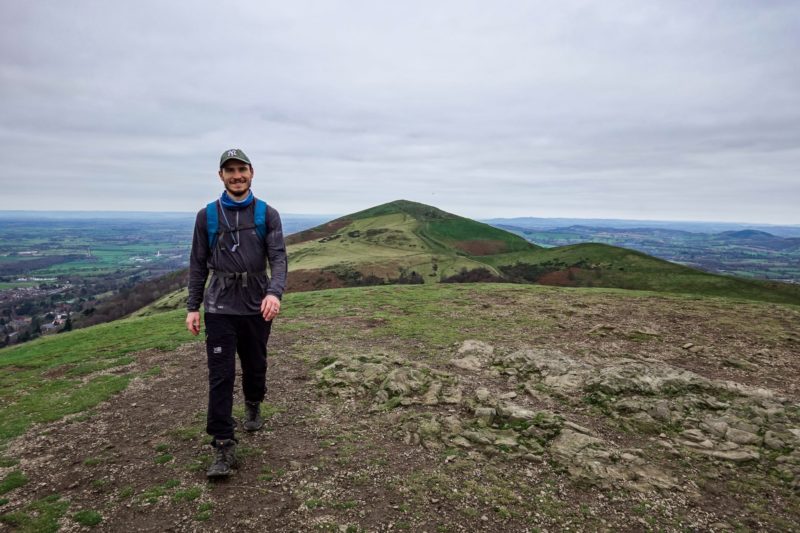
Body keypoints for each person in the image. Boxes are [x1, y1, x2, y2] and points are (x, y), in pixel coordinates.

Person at [185, 148, 287, 478]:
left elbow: (279, 259)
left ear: (252, 172)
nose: (236, 175)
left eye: (241, 169)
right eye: (230, 170)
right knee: (221, 374)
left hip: (257, 303)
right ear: (221, 176)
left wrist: (274, 292)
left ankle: (254, 401)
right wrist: (192, 307)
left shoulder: (267, 214)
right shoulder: (207, 216)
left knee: (255, 364)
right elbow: (197, 264)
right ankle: (223, 444)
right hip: (219, 306)